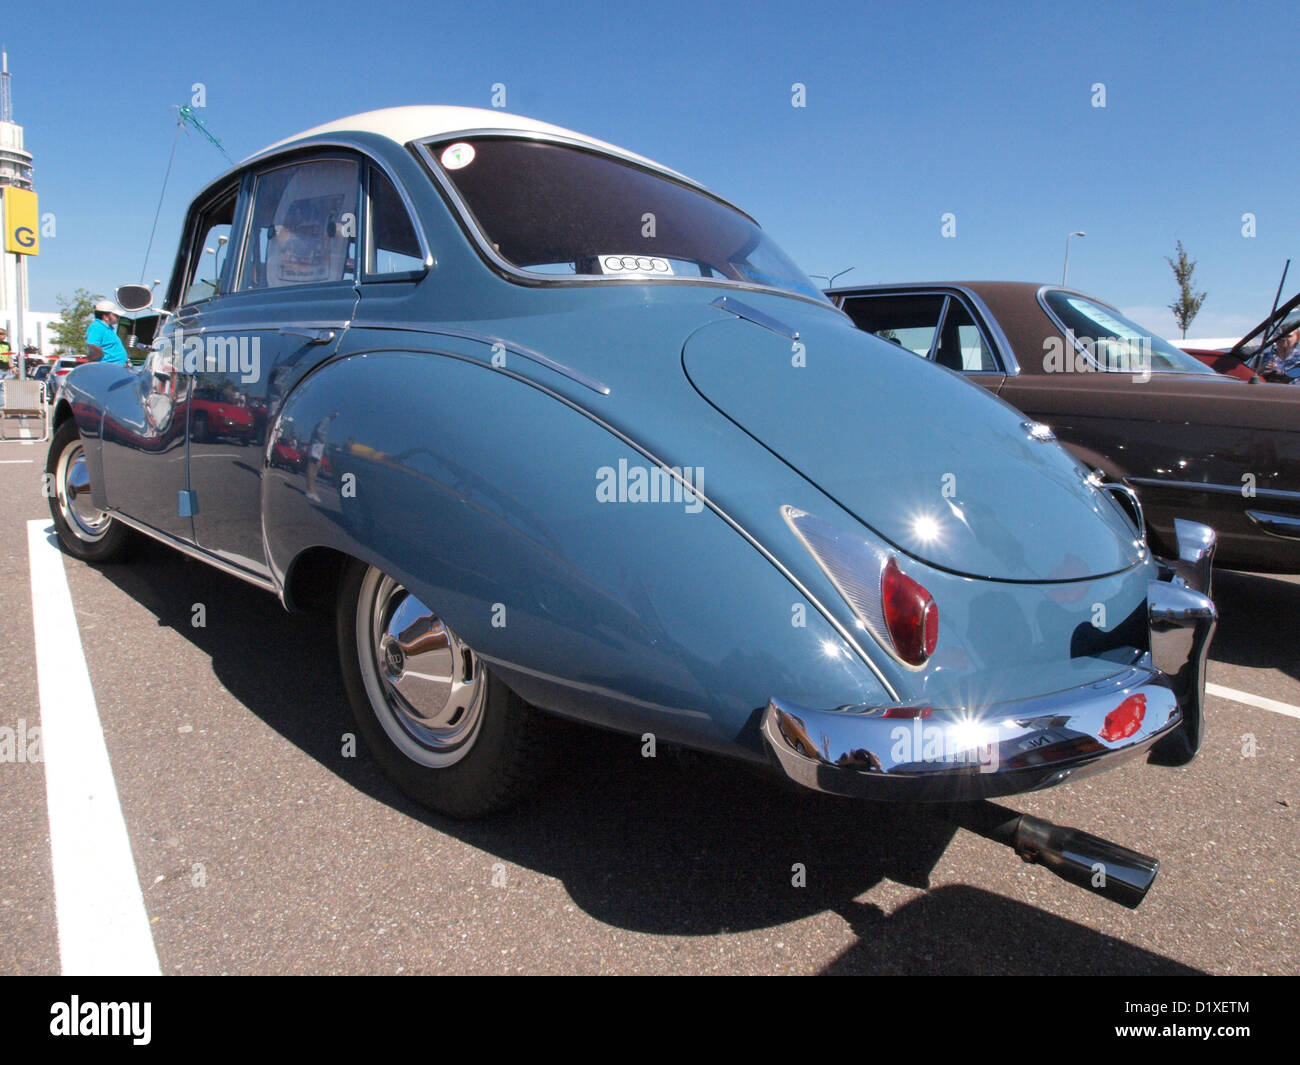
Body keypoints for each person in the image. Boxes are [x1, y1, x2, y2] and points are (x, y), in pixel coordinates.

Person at [85, 299, 130, 365]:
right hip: (108, 368)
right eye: (115, 315)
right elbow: (92, 344)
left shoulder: (107, 328)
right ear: (105, 316)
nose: (118, 317)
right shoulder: (97, 326)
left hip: (115, 367)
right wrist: (99, 354)